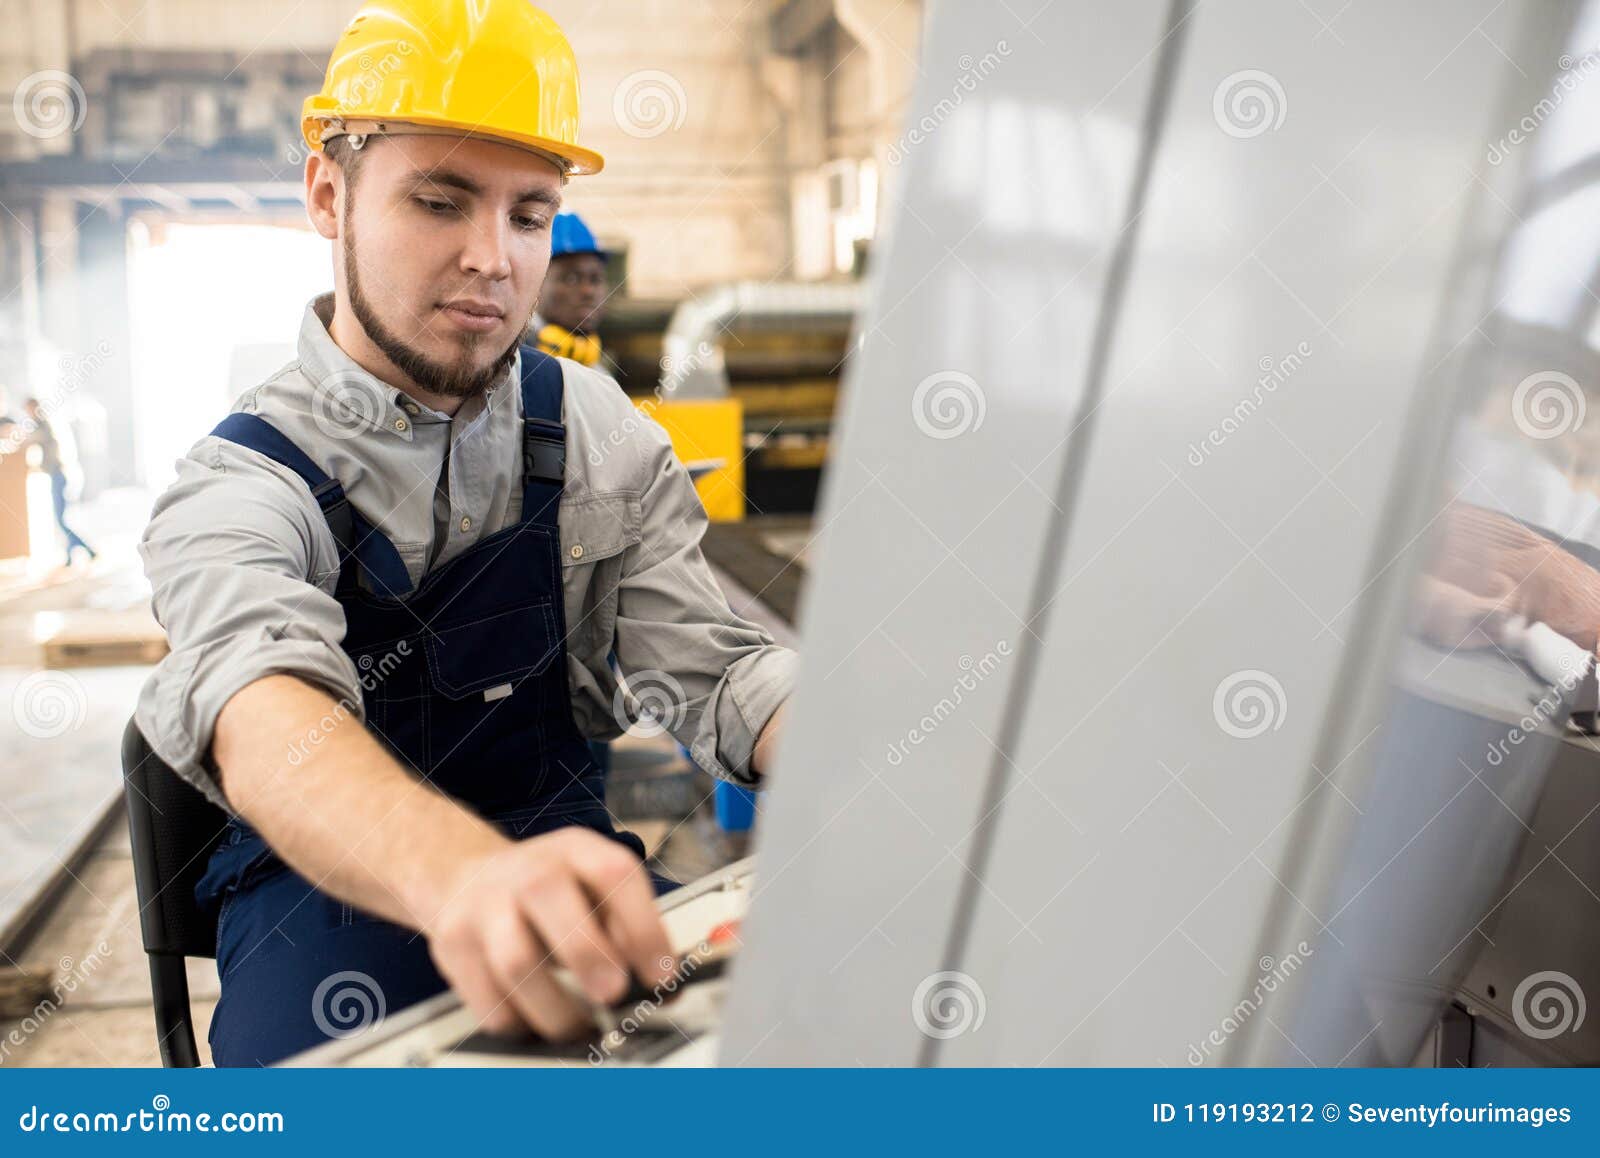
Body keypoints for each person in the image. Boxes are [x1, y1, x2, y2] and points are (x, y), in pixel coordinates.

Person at [136, 0, 795, 1067]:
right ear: (327, 195)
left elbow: (710, 674)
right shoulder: (242, 481)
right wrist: (463, 875)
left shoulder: (594, 430)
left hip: (568, 874)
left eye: (529, 215)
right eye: (440, 201)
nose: (492, 259)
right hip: (321, 921)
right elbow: (260, 709)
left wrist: (848, 749)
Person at [531, 210, 612, 370]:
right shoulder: (510, 363)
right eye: (571, 279)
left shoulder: (599, 372)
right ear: (535, 283)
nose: (588, 291)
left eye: (596, 279)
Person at [24, 398, 95, 565]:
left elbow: (30, 440)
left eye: (29, 409)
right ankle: (70, 556)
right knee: (62, 519)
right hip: (59, 474)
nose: (28, 413)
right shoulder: (45, 424)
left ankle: (89, 549)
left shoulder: (44, 425)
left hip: (59, 475)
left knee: (61, 520)